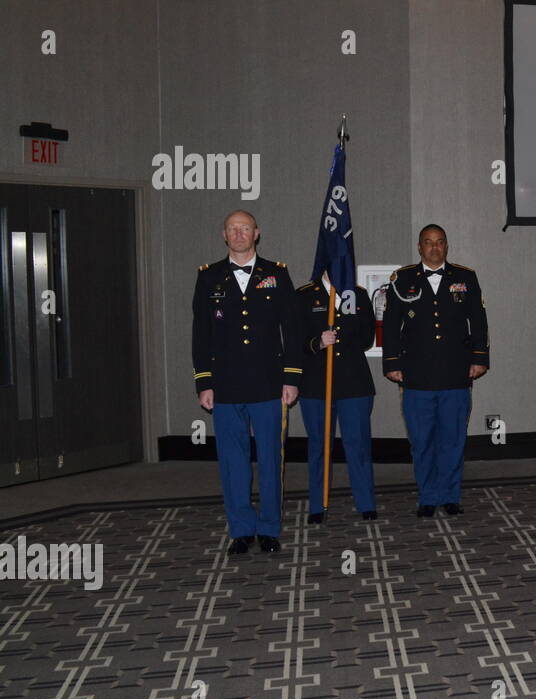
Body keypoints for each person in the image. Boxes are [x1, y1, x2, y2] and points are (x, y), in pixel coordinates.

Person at [191, 210, 301, 555]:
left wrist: (292, 377)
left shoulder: (277, 274)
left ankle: (269, 528)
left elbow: (292, 330)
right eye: (233, 229)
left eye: (245, 228)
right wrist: (204, 382)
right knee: (233, 462)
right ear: (224, 235)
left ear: (257, 233)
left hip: (268, 384)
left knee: (270, 459)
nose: (239, 234)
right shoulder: (209, 277)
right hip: (225, 386)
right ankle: (241, 529)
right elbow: (201, 333)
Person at [382, 224, 489, 517]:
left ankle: (450, 495)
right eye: (428, 243)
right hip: (416, 375)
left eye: (440, 242)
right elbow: (391, 324)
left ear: (447, 246)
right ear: (419, 247)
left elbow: (478, 322)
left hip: (456, 373)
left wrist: (479, 358)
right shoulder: (402, 279)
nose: (434, 248)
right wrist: (392, 363)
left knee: (453, 439)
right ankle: (428, 496)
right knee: (422, 440)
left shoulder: (465, 277)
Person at [296, 272, 378, 522]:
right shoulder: (304, 296)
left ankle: (366, 503)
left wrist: (343, 309)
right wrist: (317, 342)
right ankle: (318, 506)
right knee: (320, 446)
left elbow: (367, 338)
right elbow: (293, 339)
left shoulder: (358, 294)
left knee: (358, 445)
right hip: (316, 385)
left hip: (354, 383)